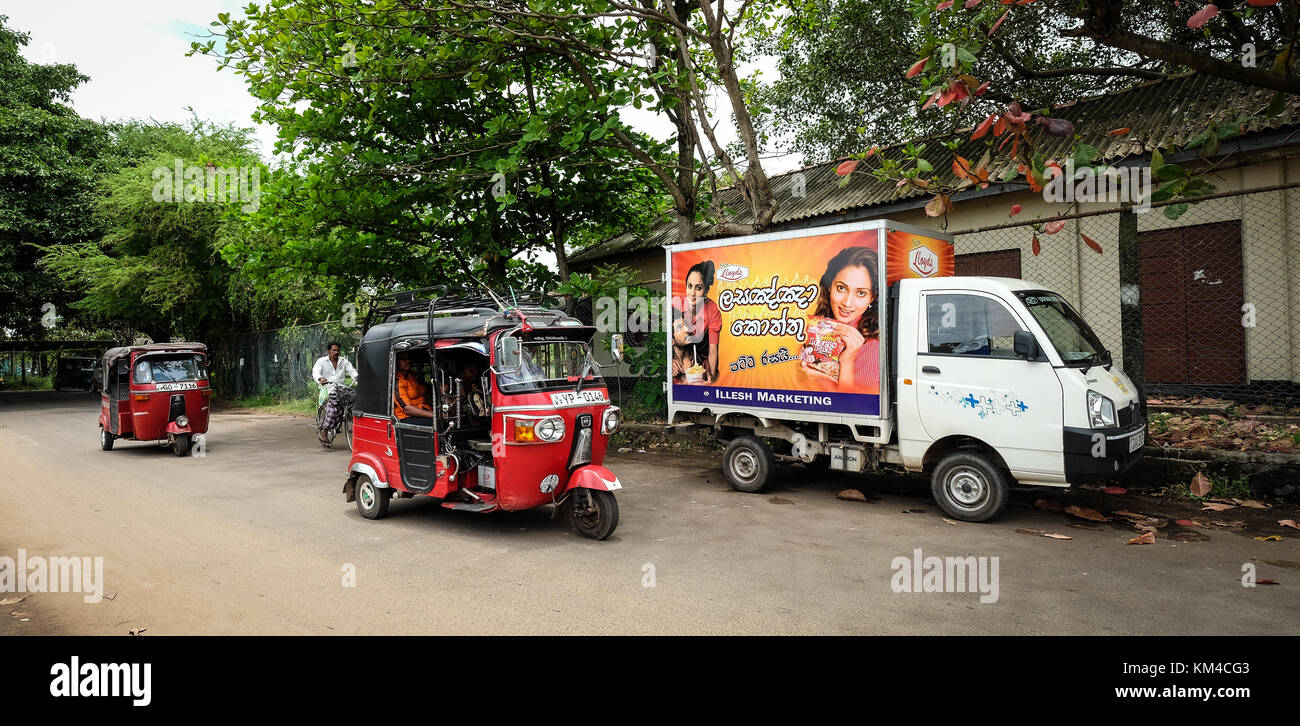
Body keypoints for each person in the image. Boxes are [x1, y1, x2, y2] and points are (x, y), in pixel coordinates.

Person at [800, 246, 880, 391]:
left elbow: (856, 406)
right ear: (830, 286)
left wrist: (847, 361)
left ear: (872, 298)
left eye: (861, 293)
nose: (847, 303)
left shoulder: (871, 348)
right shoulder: (813, 329)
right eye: (841, 288)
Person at [672, 260, 722, 384]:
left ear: (706, 291)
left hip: (700, 362)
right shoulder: (675, 305)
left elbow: (713, 350)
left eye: (698, 288)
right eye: (689, 286)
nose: (692, 293)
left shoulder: (712, 309)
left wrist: (712, 377)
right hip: (679, 363)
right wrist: (669, 361)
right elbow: (667, 340)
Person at [312, 342, 357, 443]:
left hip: (341, 388)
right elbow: (315, 372)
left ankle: (347, 419)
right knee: (333, 411)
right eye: (333, 350)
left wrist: (357, 377)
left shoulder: (343, 361)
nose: (336, 352)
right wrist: (320, 378)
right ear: (329, 351)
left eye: (337, 350)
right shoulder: (322, 361)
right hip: (328, 389)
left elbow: (352, 371)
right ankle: (324, 431)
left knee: (354, 398)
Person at [393, 352, 434, 425]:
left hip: (420, 409)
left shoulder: (411, 377)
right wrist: (434, 415)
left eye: (408, 359)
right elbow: (407, 409)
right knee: (438, 423)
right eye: (403, 359)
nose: (408, 361)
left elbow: (423, 390)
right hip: (405, 417)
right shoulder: (397, 381)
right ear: (396, 362)